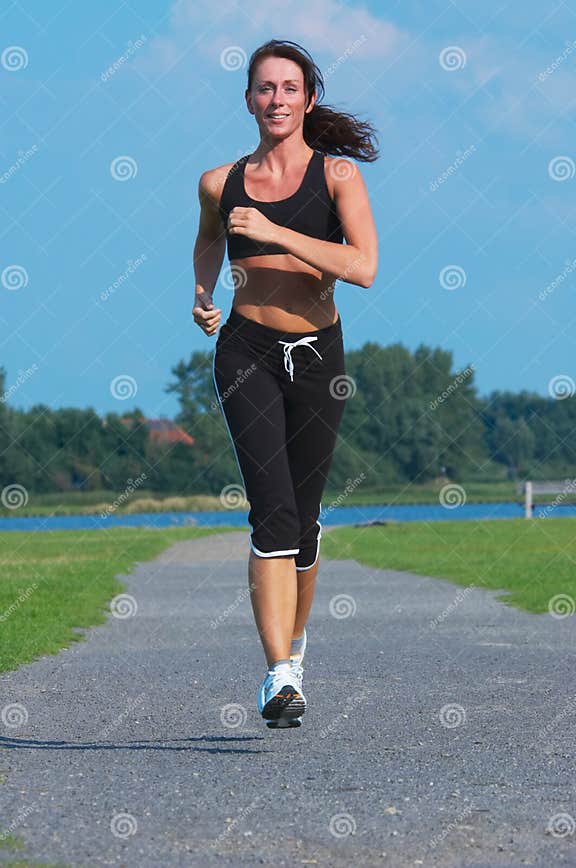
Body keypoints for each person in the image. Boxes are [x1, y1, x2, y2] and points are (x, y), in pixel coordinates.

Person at [192, 39, 378, 728]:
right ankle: (277, 675)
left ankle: (295, 650)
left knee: (304, 519)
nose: (276, 99)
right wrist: (201, 291)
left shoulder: (336, 178)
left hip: (318, 356)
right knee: (270, 513)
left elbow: (362, 266)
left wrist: (276, 232)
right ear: (249, 99)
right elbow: (209, 237)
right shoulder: (219, 181)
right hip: (245, 350)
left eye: (289, 88)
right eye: (265, 88)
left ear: (308, 99)